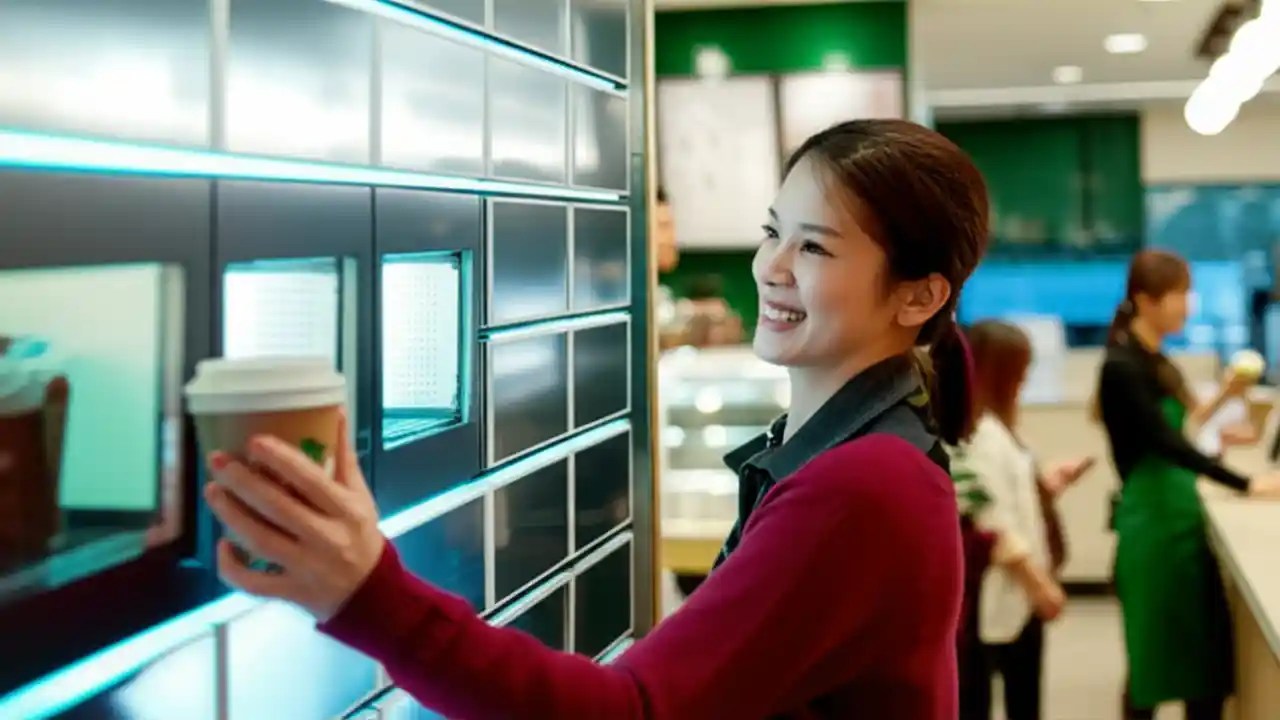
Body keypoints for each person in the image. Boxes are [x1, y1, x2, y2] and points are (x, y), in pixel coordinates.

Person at [203, 119, 990, 719]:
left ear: (918, 295)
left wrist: (365, 595)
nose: (771, 268)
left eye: (814, 248)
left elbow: (633, 712)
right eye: (772, 231)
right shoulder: (857, 457)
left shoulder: (865, 486)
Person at [1096, 249, 1280, 720]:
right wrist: (1245, 482)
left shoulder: (1158, 360)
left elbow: (1180, 436)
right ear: (1145, 298)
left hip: (1179, 513)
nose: (1188, 304)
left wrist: (1224, 426)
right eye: (1179, 293)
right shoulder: (1122, 366)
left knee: (1203, 663)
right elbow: (1163, 442)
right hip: (1153, 524)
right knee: (1153, 660)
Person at [957, 320, 1094, 720]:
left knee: (1024, 698)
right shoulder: (978, 434)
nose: (1026, 379)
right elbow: (990, 518)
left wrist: (1048, 485)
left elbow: (1008, 497)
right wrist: (1039, 585)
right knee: (987, 699)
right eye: (1021, 369)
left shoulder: (1000, 428)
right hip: (1002, 589)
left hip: (1018, 596)